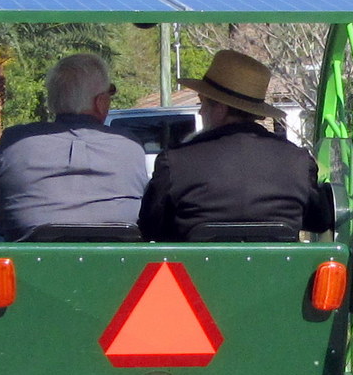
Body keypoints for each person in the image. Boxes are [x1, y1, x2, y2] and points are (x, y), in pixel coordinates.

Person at [138, 49, 331, 241]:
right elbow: (319, 221)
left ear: (221, 109)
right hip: (281, 262)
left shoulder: (176, 161)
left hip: (199, 262)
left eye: (202, 103)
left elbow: (150, 228)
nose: (201, 112)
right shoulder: (298, 161)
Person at [0, 53, 148, 241]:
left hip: (29, 253)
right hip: (117, 253)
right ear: (99, 102)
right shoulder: (129, 145)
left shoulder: (15, 140)